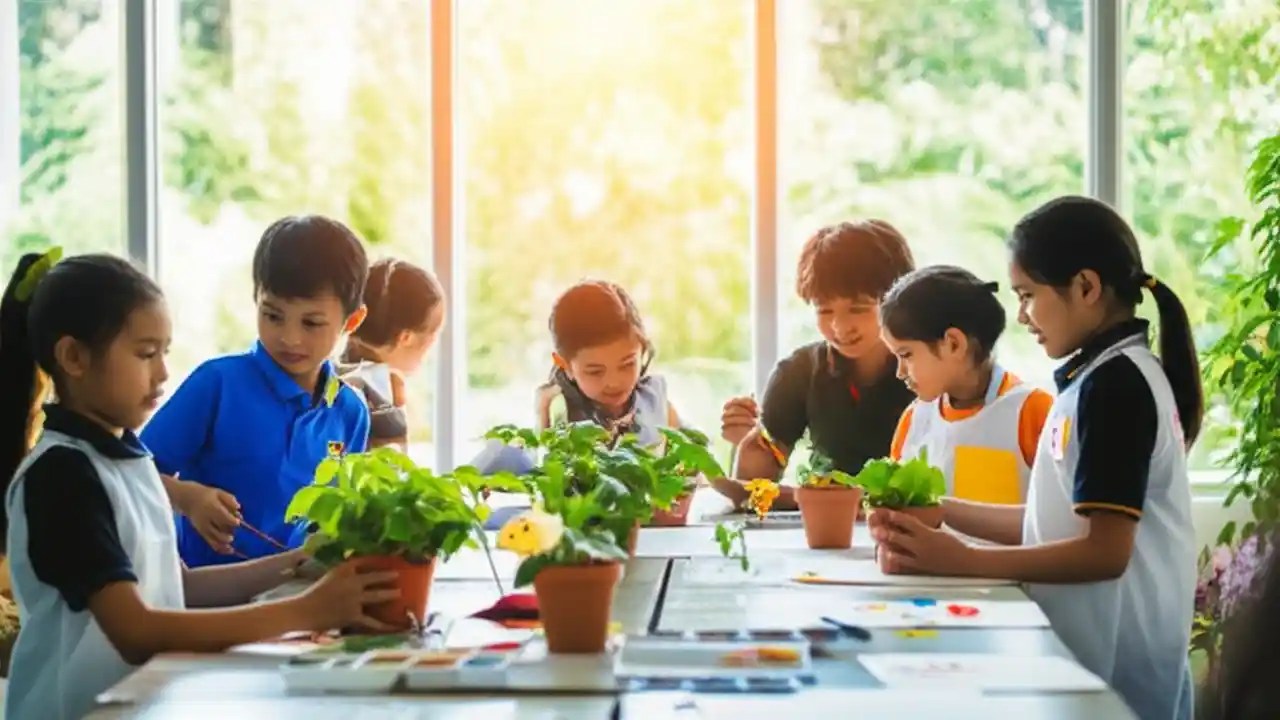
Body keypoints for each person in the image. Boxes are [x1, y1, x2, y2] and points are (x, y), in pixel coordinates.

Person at [0, 250, 396, 720]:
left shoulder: (125, 457)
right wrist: (306, 611)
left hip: (139, 704)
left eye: (165, 352)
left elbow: (178, 587)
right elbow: (137, 630)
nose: (164, 373)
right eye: (146, 354)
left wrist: (300, 562)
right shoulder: (62, 474)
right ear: (74, 357)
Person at [869, 196, 1202, 720]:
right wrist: (944, 513)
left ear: (1086, 288)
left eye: (1028, 295)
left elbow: (1103, 552)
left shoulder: (1116, 387)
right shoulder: (1093, 381)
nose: (1021, 315)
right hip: (1090, 660)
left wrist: (966, 560)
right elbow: (1051, 525)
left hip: (1121, 675)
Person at [142, 215, 372, 566]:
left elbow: (339, 518)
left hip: (298, 596)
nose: (290, 338)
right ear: (256, 300)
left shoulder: (350, 413)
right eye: (273, 315)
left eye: (311, 323)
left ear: (351, 322)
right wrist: (186, 497)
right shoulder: (217, 384)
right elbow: (130, 472)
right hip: (205, 601)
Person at [717, 220, 916, 510]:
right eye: (824, 310)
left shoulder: (929, 370)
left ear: (898, 299)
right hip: (825, 531)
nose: (840, 326)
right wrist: (746, 442)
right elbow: (753, 490)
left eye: (858, 309)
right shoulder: (799, 373)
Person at [879, 265, 1052, 504]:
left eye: (906, 354)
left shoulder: (1031, 411)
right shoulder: (915, 419)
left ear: (953, 344)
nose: (899, 372)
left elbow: (1056, 518)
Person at [534, 280, 684, 445]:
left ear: (642, 350)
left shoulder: (654, 401)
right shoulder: (559, 411)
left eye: (627, 364)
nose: (614, 382)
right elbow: (544, 462)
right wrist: (543, 416)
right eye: (595, 372)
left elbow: (695, 461)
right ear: (565, 365)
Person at [339, 257, 445, 451]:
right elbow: (390, 478)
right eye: (434, 334)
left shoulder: (324, 373)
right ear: (406, 337)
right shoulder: (384, 395)